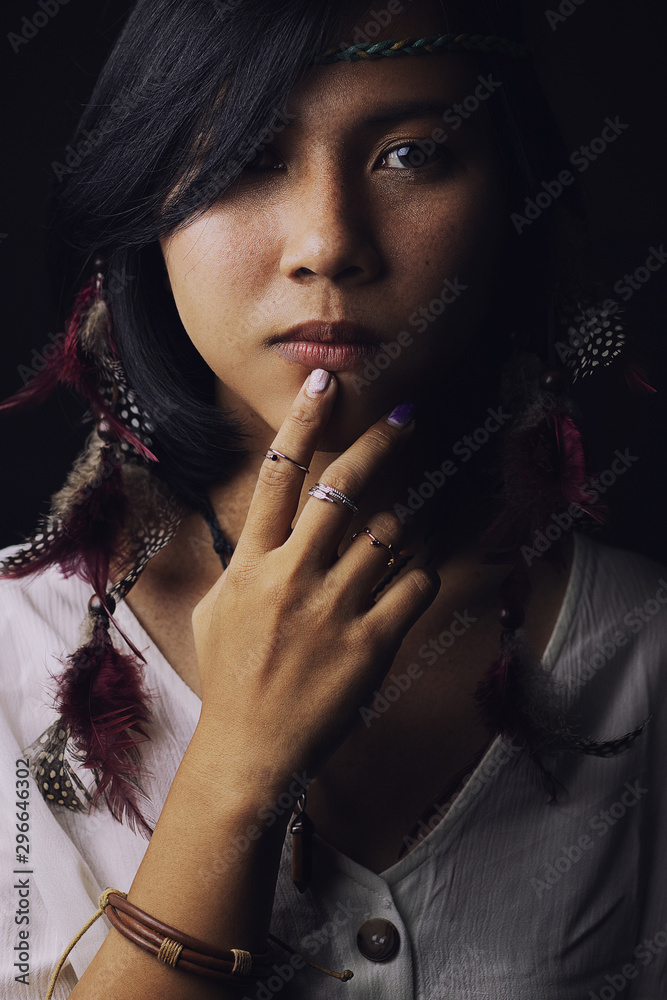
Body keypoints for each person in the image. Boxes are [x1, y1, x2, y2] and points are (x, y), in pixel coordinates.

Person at [0, 1, 665, 997]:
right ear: (145, 207)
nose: (327, 244)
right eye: (241, 159)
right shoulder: (17, 649)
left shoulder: (641, 649)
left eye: (412, 156)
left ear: (509, 196)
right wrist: (234, 772)